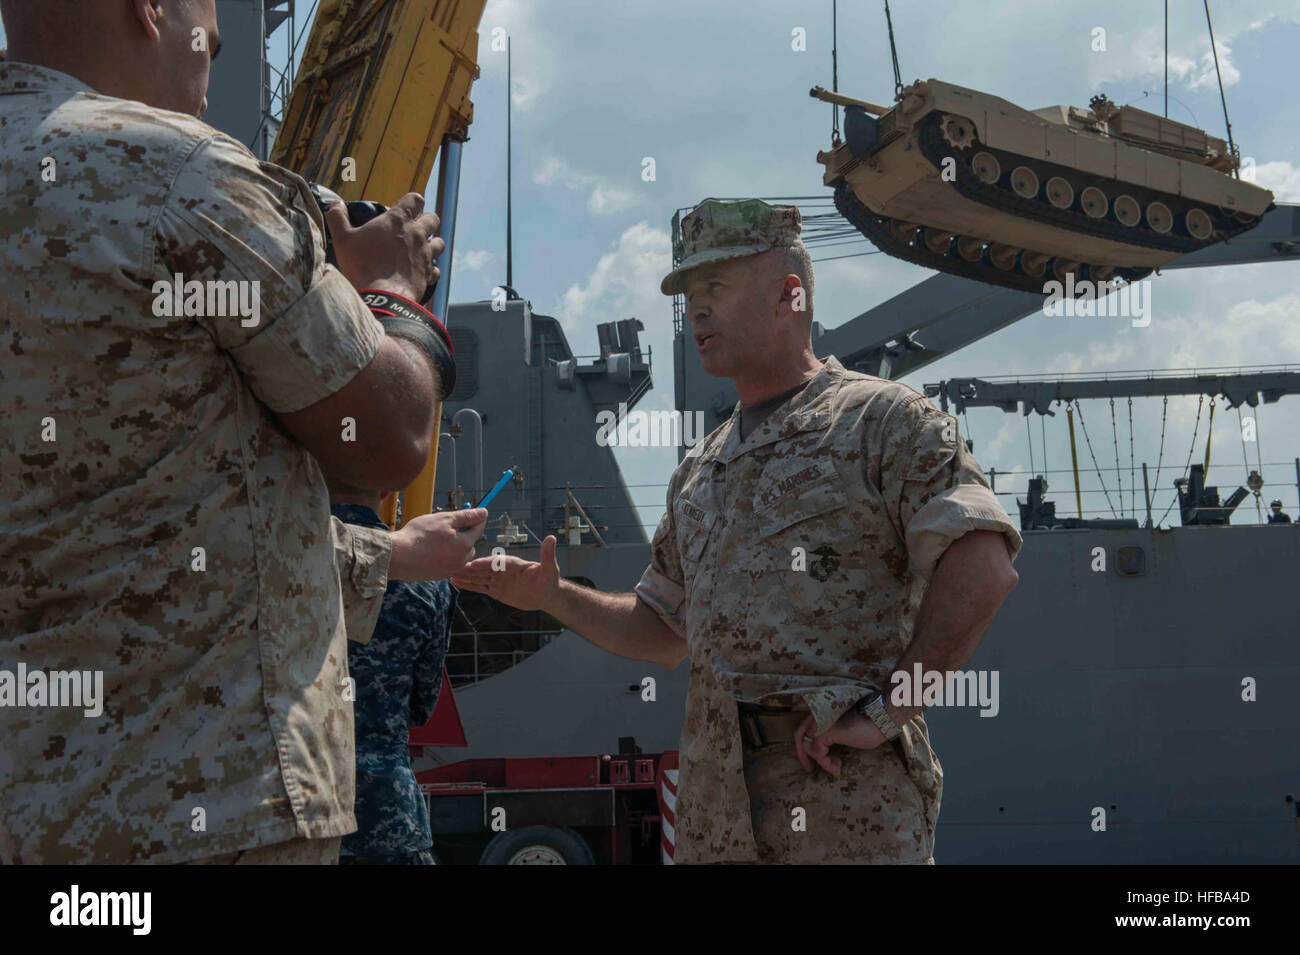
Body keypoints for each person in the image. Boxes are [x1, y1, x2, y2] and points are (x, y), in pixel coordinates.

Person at [0, 0, 485, 864]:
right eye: (208, 35)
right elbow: (391, 432)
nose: (208, 62)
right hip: (199, 814)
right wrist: (391, 291)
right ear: (151, 10)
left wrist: (395, 556)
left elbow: (163, 525)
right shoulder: (181, 177)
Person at [453, 199, 1021, 864]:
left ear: (790, 294)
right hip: (715, 816)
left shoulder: (884, 422)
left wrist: (891, 711)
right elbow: (663, 631)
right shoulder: (700, 470)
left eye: (715, 288)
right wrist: (552, 595)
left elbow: (984, 567)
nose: (695, 309)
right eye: (689, 294)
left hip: (847, 812)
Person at [328, 478, 459, 866]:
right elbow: (420, 708)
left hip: (294, 814)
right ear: (387, 488)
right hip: (388, 818)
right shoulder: (429, 582)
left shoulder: (280, 559)